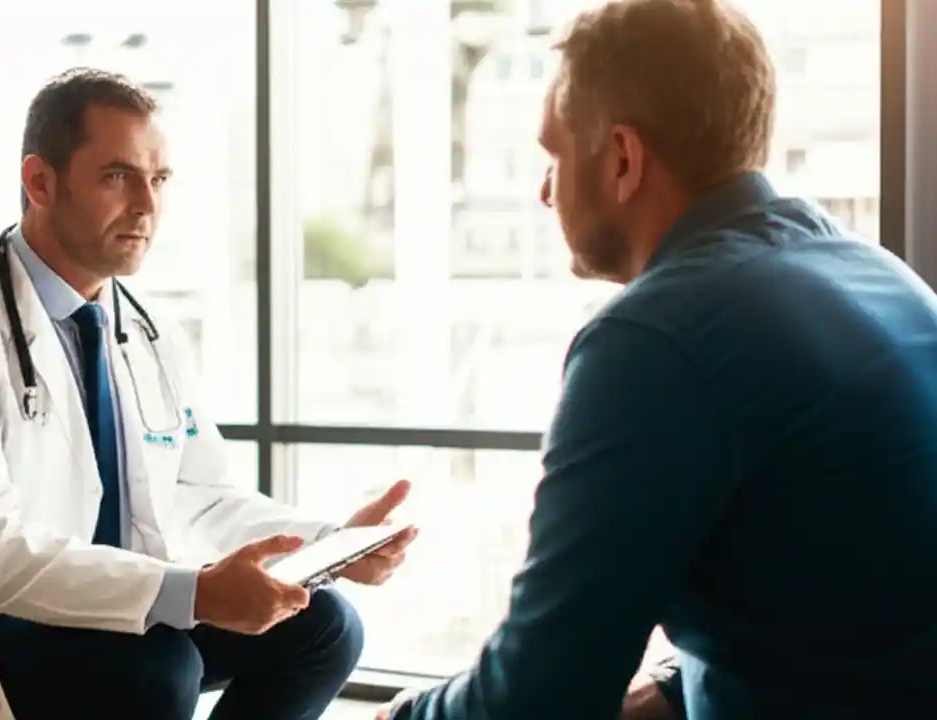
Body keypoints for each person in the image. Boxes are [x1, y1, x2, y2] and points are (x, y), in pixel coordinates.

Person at [378, 0, 937, 718]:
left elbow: (540, 698)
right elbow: (848, 598)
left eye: (553, 154)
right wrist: (675, 687)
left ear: (621, 158)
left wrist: (405, 718)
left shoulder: (659, 338)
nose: (545, 191)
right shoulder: (870, 270)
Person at [0, 68, 418, 720]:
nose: (147, 203)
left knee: (324, 626)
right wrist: (190, 593)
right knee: (154, 668)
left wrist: (327, 546)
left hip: (102, 614)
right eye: (118, 176)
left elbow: (204, 496)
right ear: (40, 182)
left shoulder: (148, 332)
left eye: (158, 179)